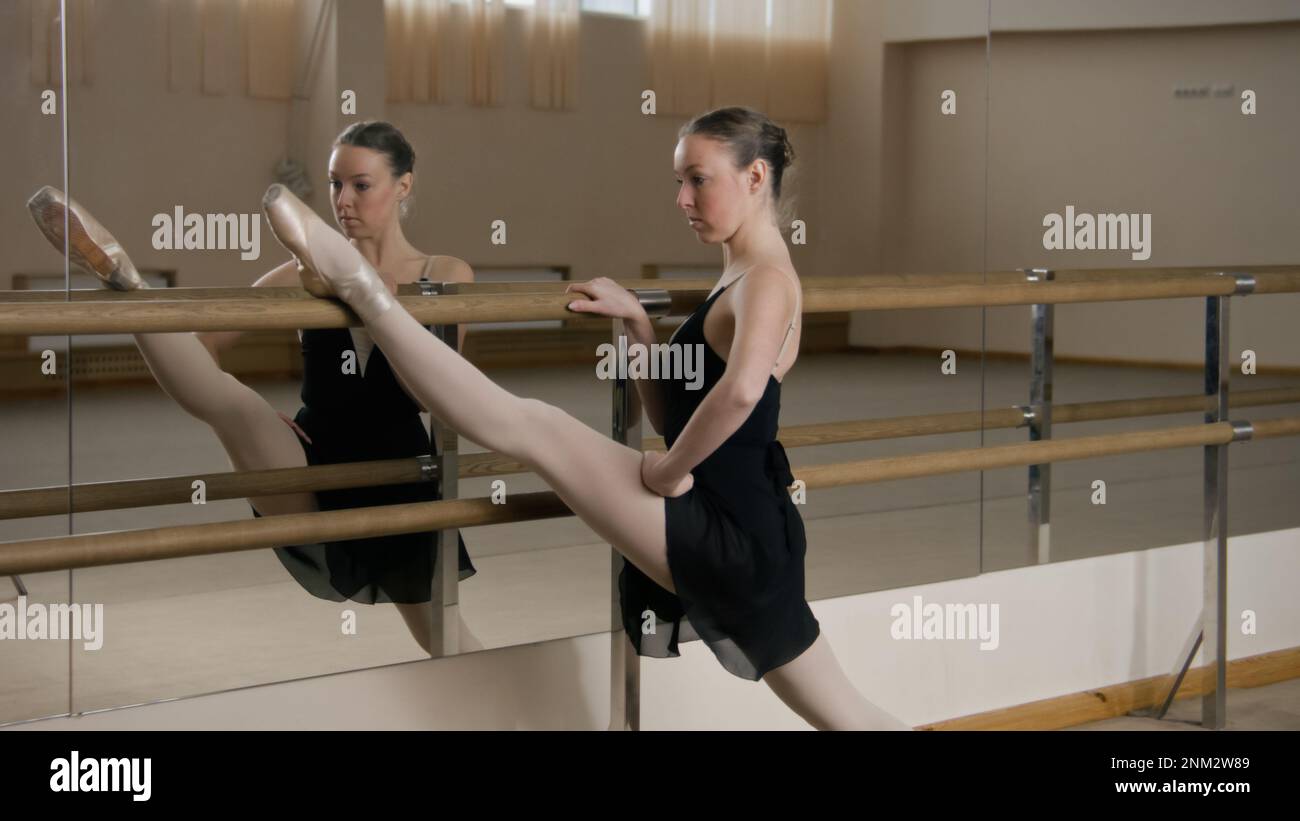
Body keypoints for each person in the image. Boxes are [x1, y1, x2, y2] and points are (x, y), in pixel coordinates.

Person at [261, 106, 911, 730]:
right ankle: (362, 287)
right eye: (678, 181)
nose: (682, 199)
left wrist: (668, 471)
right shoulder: (742, 272)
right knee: (848, 714)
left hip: (731, 527)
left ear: (755, 176)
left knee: (535, 425)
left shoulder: (766, 277)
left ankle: (361, 287)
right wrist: (636, 327)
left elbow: (740, 393)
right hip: (735, 520)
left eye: (697, 180)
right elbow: (680, 405)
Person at [25, 120, 480, 655]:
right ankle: (131, 291)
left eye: (361, 184)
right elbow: (202, 343)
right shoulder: (297, 275)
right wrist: (270, 419)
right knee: (237, 405)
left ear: (402, 186)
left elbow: (432, 393)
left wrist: (377, 303)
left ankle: (509, 709)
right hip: (308, 458)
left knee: (442, 638)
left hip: (397, 473)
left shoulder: (443, 272)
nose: (343, 200)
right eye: (334, 185)